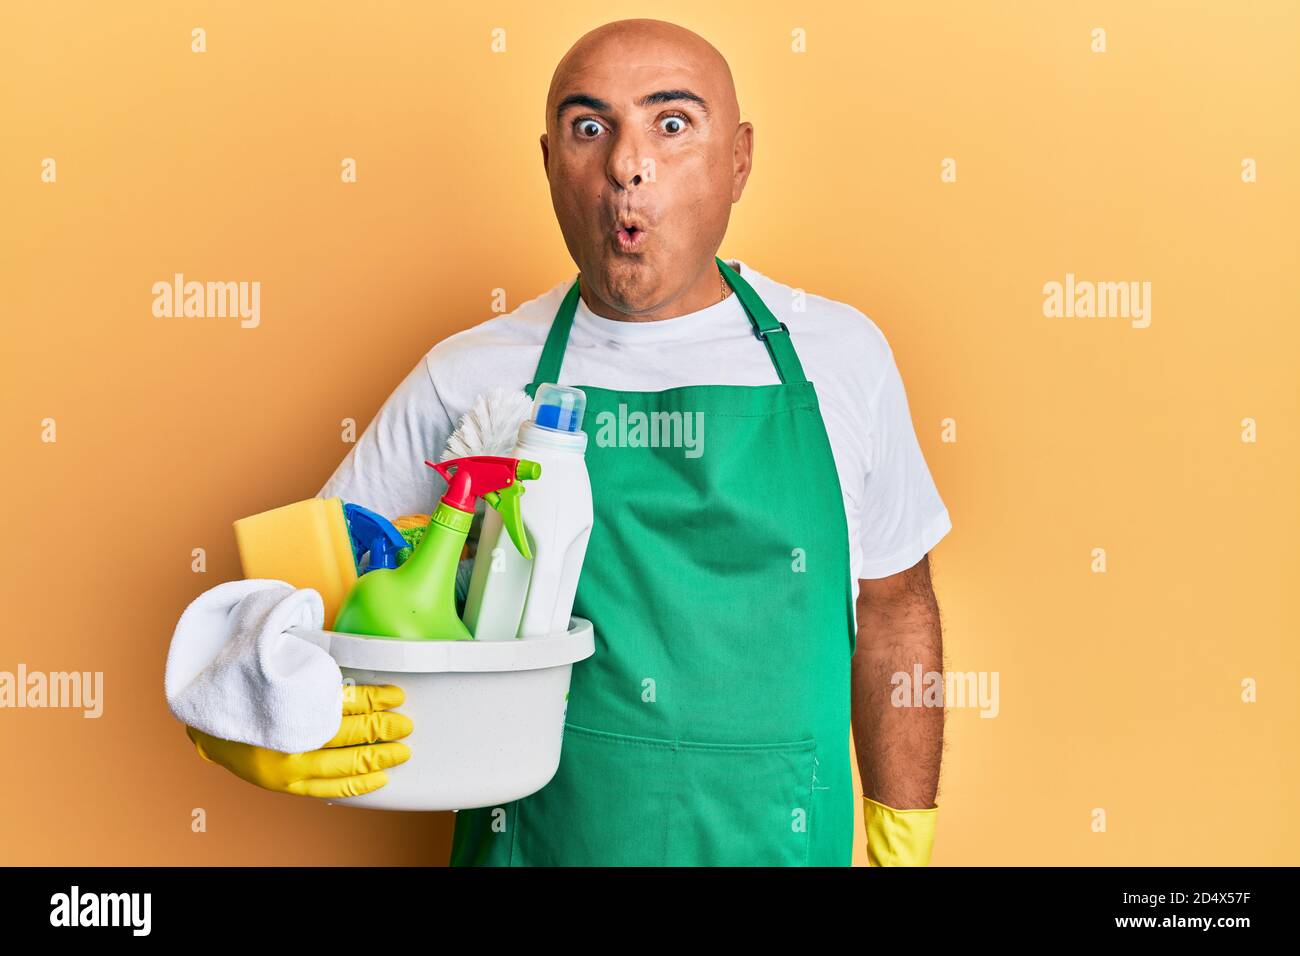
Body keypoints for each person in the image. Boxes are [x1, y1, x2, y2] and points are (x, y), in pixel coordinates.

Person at [186, 17, 950, 867]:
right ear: (551, 164)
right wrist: (248, 705)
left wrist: (901, 840)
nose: (628, 163)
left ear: (738, 160)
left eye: (672, 123)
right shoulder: (472, 377)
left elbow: (894, 607)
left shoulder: (840, 355)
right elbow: (294, 587)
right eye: (591, 128)